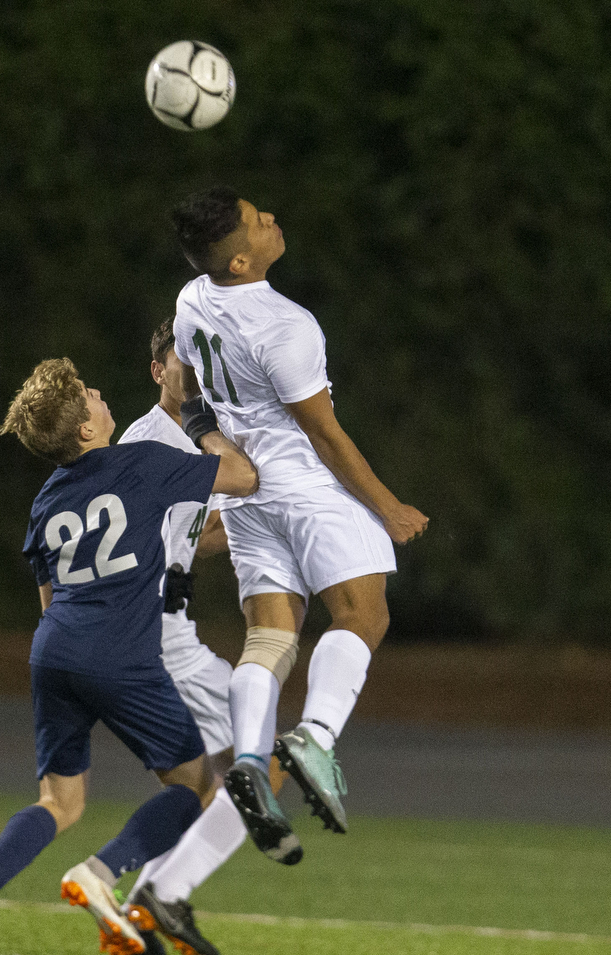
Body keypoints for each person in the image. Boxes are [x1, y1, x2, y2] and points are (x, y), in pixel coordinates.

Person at [0, 356, 257, 955]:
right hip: (120, 657)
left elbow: (49, 600)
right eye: (88, 395)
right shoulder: (139, 463)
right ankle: (100, 872)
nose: (101, 393)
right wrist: (202, 422)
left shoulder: (45, 501)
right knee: (194, 784)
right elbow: (242, 476)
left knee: (59, 800)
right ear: (84, 429)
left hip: (52, 653)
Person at [170, 186, 429, 865]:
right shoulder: (287, 326)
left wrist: (210, 444)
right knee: (363, 616)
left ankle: (251, 761)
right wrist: (387, 505)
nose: (272, 220)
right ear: (238, 262)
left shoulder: (191, 299)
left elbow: (187, 393)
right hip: (308, 490)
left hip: (250, 494)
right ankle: (313, 734)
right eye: (259, 222)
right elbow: (323, 434)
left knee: (270, 636)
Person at [116, 318, 285, 955]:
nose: (194, 376)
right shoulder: (154, 442)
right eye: (180, 364)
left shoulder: (179, 440)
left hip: (161, 634)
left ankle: (141, 903)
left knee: (205, 782)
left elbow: (185, 539)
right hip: (160, 641)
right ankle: (148, 890)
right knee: (261, 761)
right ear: (157, 372)